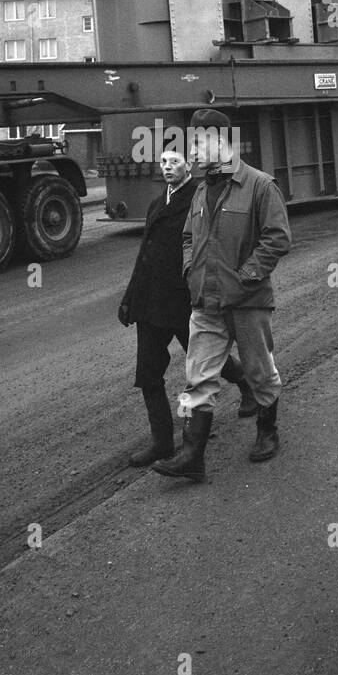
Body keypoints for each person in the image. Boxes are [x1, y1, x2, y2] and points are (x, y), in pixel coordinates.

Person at [154, 109, 291, 483]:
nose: (193, 152)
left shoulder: (260, 185)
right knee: (198, 375)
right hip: (206, 302)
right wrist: (189, 271)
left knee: (260, 371)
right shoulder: (201, 189)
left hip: (247, 301)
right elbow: (188, 237)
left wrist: (246, 275)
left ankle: (268, 431)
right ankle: (192, 455)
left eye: (198, 143)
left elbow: (277, 238)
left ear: (222, 143)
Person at [119, 150, 255, 466]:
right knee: (148, 375)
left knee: (209, 362)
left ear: (188, 166)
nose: (168, 167)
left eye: (175, 162)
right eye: (163, 162)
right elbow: (145, 256)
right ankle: (162, 443)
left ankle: (248, 386)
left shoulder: (200, 200)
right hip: (150, 304)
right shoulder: (157, 203)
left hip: (186, 301)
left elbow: (212, 247)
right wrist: (129, 299)